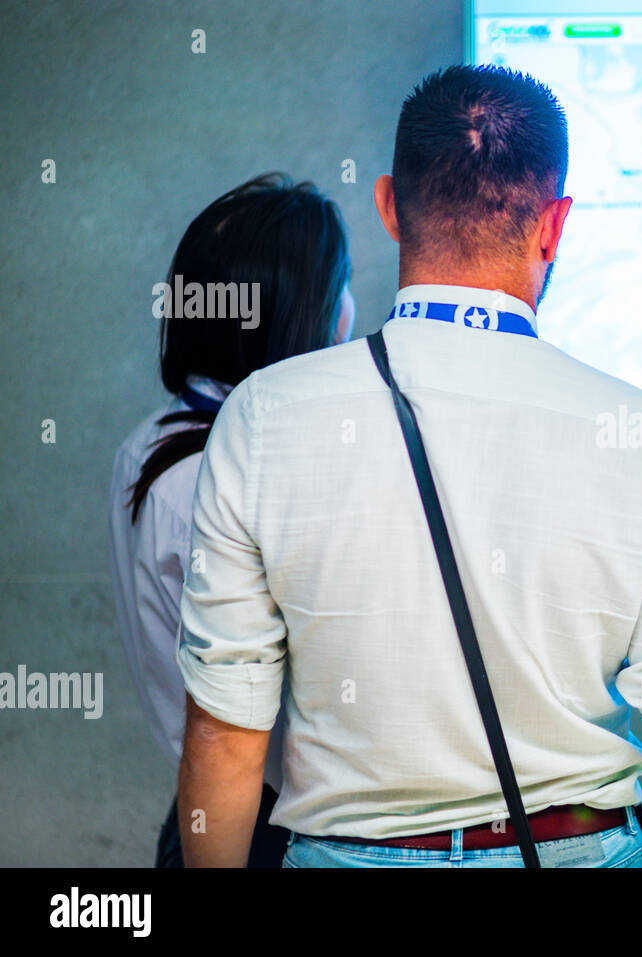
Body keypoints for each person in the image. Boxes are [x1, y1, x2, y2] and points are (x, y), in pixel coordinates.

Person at [176, 65, 642, 869]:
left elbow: (227, 732)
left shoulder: (262, 416)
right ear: (555, 225)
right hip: (578, 848)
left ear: (391, 206)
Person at [108, 172, 353, 867]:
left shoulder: (160, 442)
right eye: (340, 292)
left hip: (227, 806)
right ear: (297, 318)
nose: (352, 317)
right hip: (259, 825)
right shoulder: (213, 478)